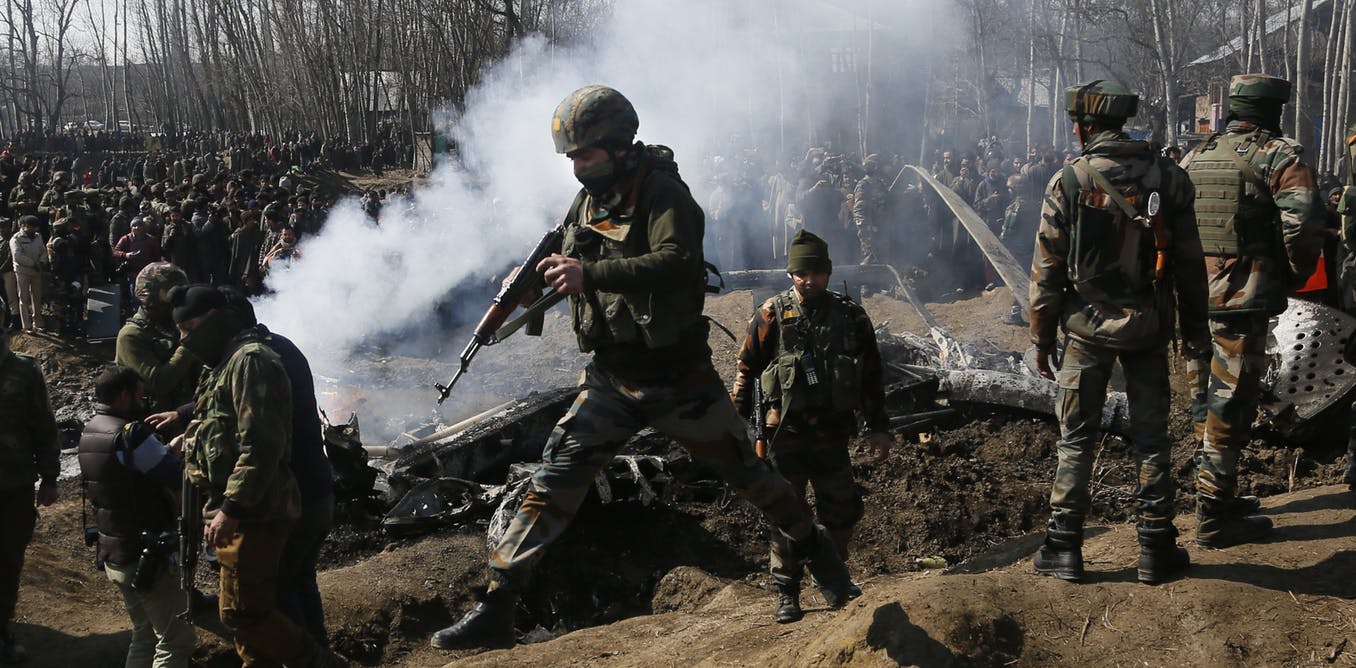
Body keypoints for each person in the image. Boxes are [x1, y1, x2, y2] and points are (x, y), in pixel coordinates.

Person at [429, 85, 856, 651]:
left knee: (752, 479)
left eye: (585, 154)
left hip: (678, 377)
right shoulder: (585, 203)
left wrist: (588, 274)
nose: (576, 167)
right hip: (612, 376)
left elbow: (677, 262)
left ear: (616, 145)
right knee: (555, 475)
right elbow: (570, 258)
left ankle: (817, 551)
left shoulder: (663, 194)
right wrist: (533, 280)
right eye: (571, 157)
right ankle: (497, 604)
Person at [1029, 81, 1208, 585]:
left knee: (1076, 438)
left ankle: (1064, 547)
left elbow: (1047, 268)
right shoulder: (1169, 177)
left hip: (1085, 330)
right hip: (1149, 327)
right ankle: (1156, 546)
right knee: (1152, 438)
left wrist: (1042, 337)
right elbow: (1191, 264)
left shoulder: (1068, 180)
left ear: (1084, 127)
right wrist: (1195, 330)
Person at [1180, 74, 1325, 547]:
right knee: (1231, 402)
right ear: (1273, 111)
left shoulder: (1196, 155)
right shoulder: (1280, 155)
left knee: (1204, 400)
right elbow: (1304, 224)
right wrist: (1294, 274)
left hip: (1193, 298)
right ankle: (1214, 517)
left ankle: (1215, 495)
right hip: (1241, 299)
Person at [170, 285, 340, 667]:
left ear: (218, 320)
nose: (184, 341)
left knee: (255, 607)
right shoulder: (228, 361)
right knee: (271, 601)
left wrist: (231, 507)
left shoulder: (253, 359)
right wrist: (190, 429)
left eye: (190, 329)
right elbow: (222, 415)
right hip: (259, 502)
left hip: (264, 506)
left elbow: (261, 442)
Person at [730, 229, 891, 623]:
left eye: (816, 272)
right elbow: (746, 370)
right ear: (791, 274)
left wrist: (879, 427)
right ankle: (787, 590)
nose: (809, 280)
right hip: (784, 437)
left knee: (842, 512)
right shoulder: (771, 314)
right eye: (801, 273)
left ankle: (833, 577)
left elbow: (871, 377)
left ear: (828, 273)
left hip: (832, 436)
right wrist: (737, 429)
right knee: (787, 516)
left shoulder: (851, 317)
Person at [77, 366, 196, 667]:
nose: (143, 403)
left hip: (114, 552)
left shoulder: (91, 430)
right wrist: (176, 452)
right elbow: (173, 474)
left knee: (144, 636)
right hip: (147, 554)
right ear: (124, 395)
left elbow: (126, 476)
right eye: (139, 396)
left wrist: (165, 450)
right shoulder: (132, 434)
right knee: (175, 641)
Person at [0, 325, 61, 662]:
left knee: (8, 561)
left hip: (14, 486)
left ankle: (2, 629)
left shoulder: (24, 370)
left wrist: (50, 477)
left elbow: (43, 424)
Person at [116, 263, 198, 416]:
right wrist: (188, 342)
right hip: (154, 422)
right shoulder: (131, 335)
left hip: (186, 415)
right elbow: (159, 383)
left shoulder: (175, 325)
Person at [9, 216, 46, 333]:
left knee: (37, 296)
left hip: (36, 271)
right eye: (32, 227)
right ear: (25, 226)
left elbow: (43, 250)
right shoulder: (16, 239)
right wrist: (32, 264)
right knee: (23, 298)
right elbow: (18, 256)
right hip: (23, 272)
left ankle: (38, 322)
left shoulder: (38, 236)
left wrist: (42, 262)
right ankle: (26, 325)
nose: (34, 230)